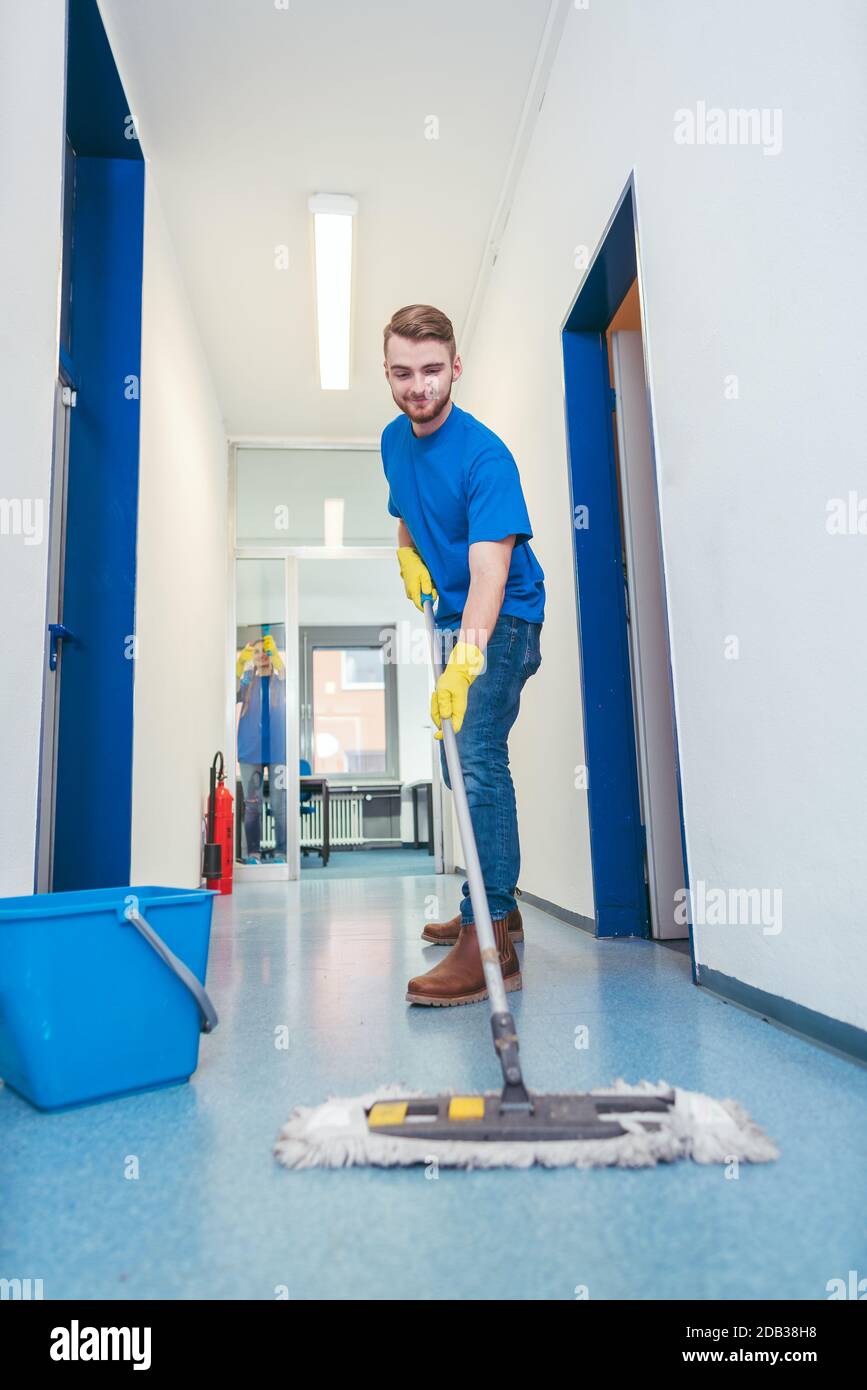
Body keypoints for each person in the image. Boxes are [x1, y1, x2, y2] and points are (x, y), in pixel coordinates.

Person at [381, 304, 545, 1006]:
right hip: (450, 614)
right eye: (401, 372)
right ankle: (495, 903)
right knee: (455, 764)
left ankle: (491, 942)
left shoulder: (485, 454)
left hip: (502, 617)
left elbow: (490, 573)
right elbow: (406, 515)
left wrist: (463, 661)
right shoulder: (392, 439)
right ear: (386, 371)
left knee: (475, 753)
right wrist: (407, 559)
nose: (417, 386)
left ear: (455, 367)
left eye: (430, 370)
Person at [236, 634, 287, 862]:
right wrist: (239, 663)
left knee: (279, 805)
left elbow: (286, 675)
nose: (262, 656)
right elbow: (231, 689)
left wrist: (277, 658)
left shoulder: (280, 681)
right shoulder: (247, 680)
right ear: (252, 657)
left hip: (278, 751)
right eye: (257, 652)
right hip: (250, 751)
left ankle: (282, 852)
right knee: (252, 806)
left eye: (266, 652)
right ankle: (252, 853)